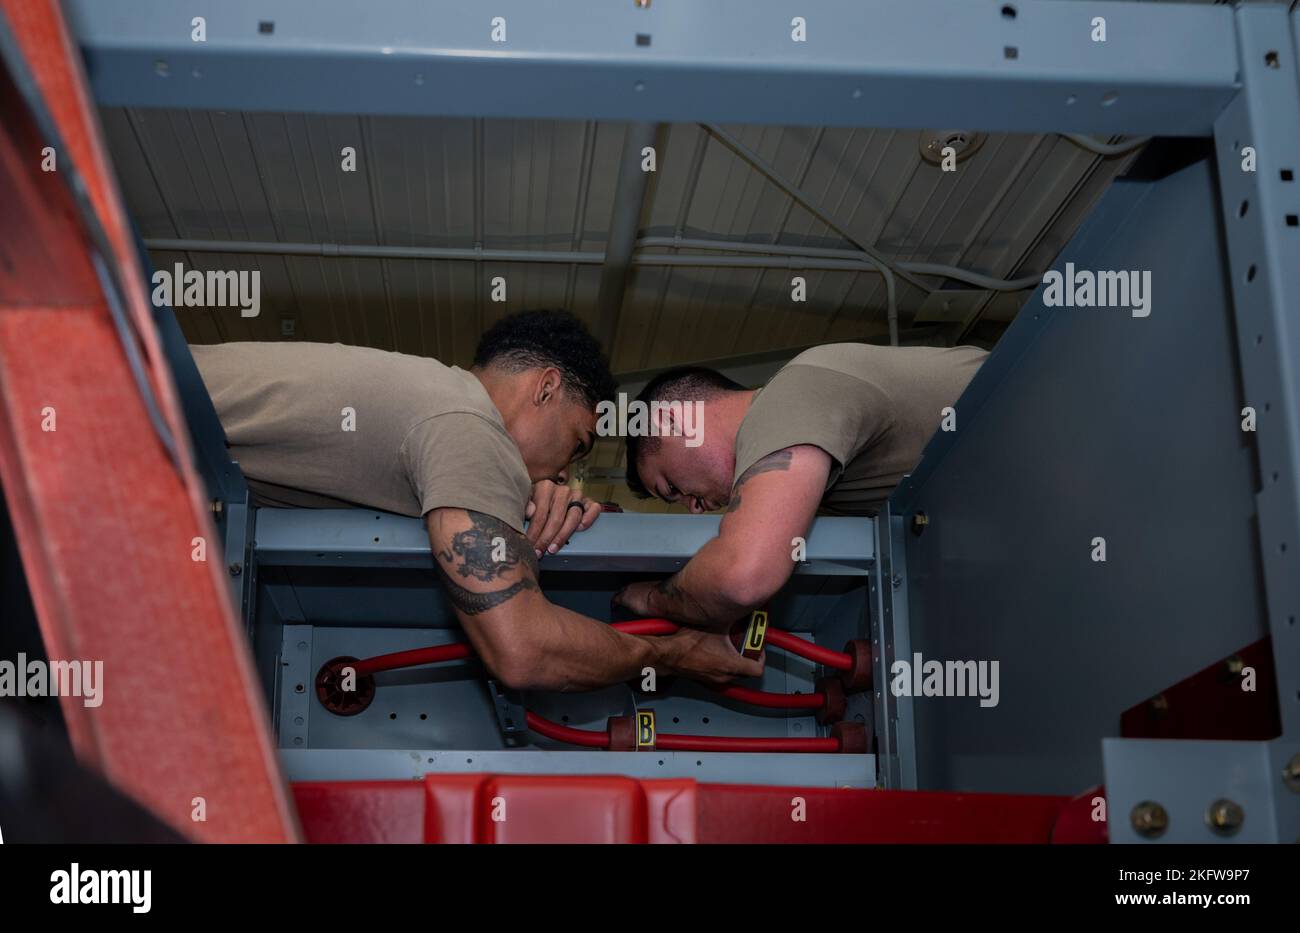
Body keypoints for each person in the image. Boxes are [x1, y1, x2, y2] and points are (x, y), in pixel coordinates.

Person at [192, 310, 762, 690]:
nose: (566, 471)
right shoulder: (467, 424)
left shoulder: (434, 401)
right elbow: (523, 651)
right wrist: (673, 655)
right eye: (575, 444)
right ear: (545, 388)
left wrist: (524, 499)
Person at [613, 342, 987, 630]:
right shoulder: (806, 446)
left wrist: (652, 599)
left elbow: (744, 575)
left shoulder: (787, 399)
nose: (693, 507)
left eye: (672, 489)